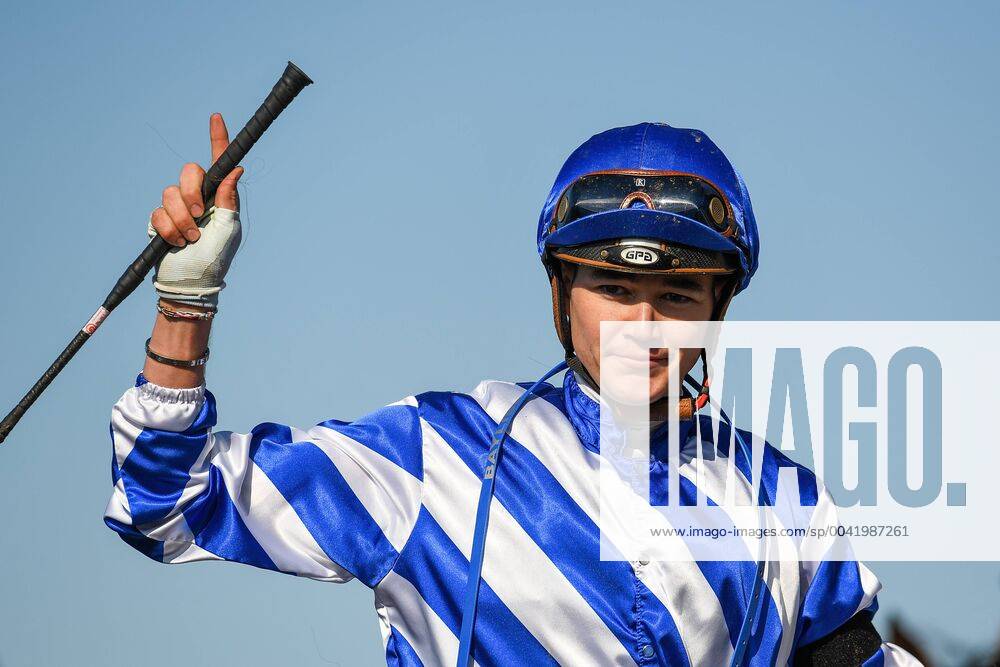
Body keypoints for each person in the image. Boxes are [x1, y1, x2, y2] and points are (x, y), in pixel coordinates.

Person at [106, 116, 919, 666]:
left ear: (718, 308)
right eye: (610, 286)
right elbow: (167, 503)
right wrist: (186, 303)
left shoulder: (786, 505)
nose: (642, 323)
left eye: (677, 295)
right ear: (561, 293)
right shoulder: (432, 454)